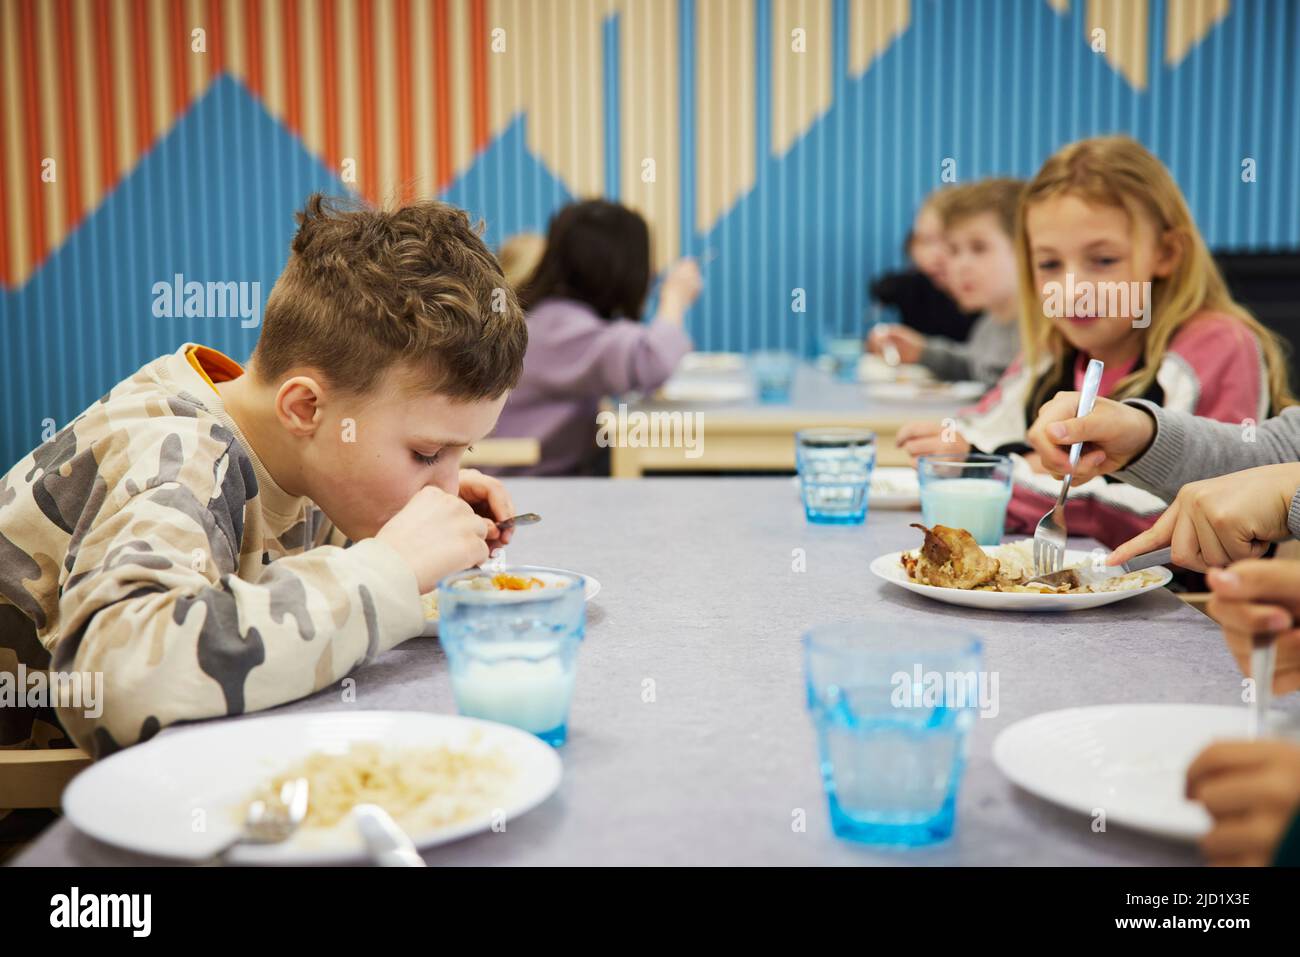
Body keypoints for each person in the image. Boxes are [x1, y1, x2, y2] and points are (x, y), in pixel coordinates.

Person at [0, 194, 527, 758]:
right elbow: (118, 684)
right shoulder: (176, 457)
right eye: (426, 453)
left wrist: (404, 517)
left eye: (461, 452)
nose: (447, 485)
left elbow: (271, 559)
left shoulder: (298, 447)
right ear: (303, 407)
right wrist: (389, 569)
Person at [896, 136, 1295, 550]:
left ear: (1166, 253)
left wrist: (995, 474)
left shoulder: (1217, 345)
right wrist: (964, 451)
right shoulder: (1054, 348)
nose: (1073, 288)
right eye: (1049, 264)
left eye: (1103, 260)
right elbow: (976, 433)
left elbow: (1180, 519)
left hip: (1194, 609)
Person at [490, 199, 702, 476]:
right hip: (529, 482)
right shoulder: (558, 327)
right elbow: (653, 359)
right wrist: (674, 297)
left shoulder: (554, 317)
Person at [869, 179, 1023, 387]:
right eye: (954, 250)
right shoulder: (989, 325)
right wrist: (922, 351)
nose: (959, 265)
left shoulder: (1044, 335)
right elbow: (973, 367)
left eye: (979, 248)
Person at [868, 189, 979, 342]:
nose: (937, 255)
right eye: (927, 242)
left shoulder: (986, 303)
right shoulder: (912, 284)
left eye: (949, 241)